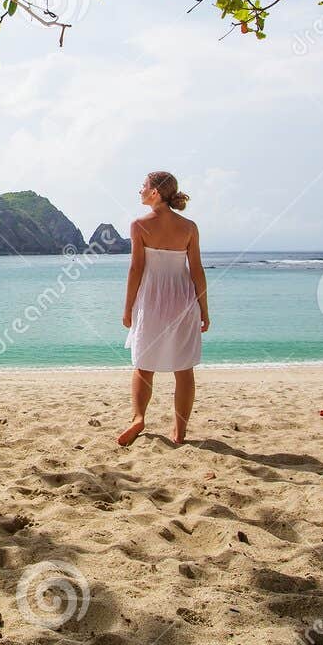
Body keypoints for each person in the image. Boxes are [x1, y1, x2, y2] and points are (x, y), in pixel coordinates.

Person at [117, 171, 209, 446]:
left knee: (143, 366)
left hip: (152, 301)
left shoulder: (139, 225)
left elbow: (136, 269)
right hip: (183, 300)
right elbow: (197, 271)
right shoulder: (189, 227)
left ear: (155, 192)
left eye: (143, 186)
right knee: (184, 369)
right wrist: (204, 309)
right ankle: (179, 432)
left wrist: (128, 308)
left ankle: (138, 418)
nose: (140, 190)